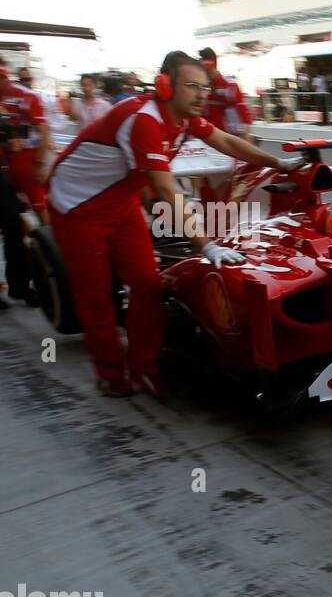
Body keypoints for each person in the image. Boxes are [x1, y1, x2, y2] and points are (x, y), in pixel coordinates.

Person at [46, 51, 296, 398]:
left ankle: (145, 369)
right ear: (165, 86)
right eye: (192, 86)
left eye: (205, 87)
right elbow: (166, 189)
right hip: (77, 207)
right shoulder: (145, 120)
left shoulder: (183, 118)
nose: (201, 95)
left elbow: (224, 140)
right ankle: (111, 375)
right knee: (97, 296)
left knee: (148, 286)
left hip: (121, 203)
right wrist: (207, 245)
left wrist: (277, 162)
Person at [0, 58, 53, 307]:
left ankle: (21, 286)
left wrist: (39, 161)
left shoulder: (22, 97)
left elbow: (42, 130)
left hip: (10, 174)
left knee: (14, 227)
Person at [197, 48, 253, 137]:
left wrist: (244, 138)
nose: (205, 74)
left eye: (207, 70)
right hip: (203, 138)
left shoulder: (229, 86)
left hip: (224, 139)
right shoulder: (198, 87)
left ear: (213, 66)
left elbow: (243, 115)